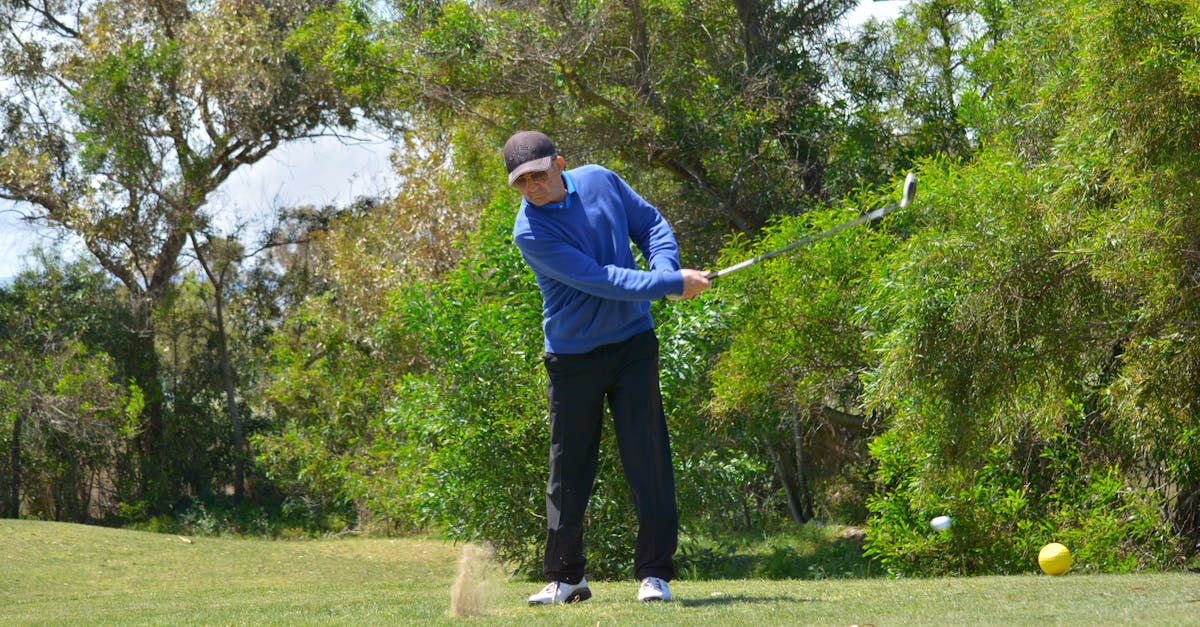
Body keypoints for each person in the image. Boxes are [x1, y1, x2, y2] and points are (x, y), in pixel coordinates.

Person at [504, 130, 711, 605]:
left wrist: (667, 266)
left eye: (537, 175)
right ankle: (566, 577)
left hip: (632, 344)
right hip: (572, 357)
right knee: (568, 470)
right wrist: (669, 284)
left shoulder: (600, 180)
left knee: (648, 458)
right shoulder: (530, 232)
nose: (532, 188)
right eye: (521, 183)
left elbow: (651, 225)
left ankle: (655, 575)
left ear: (559, 163)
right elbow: (601, 280)